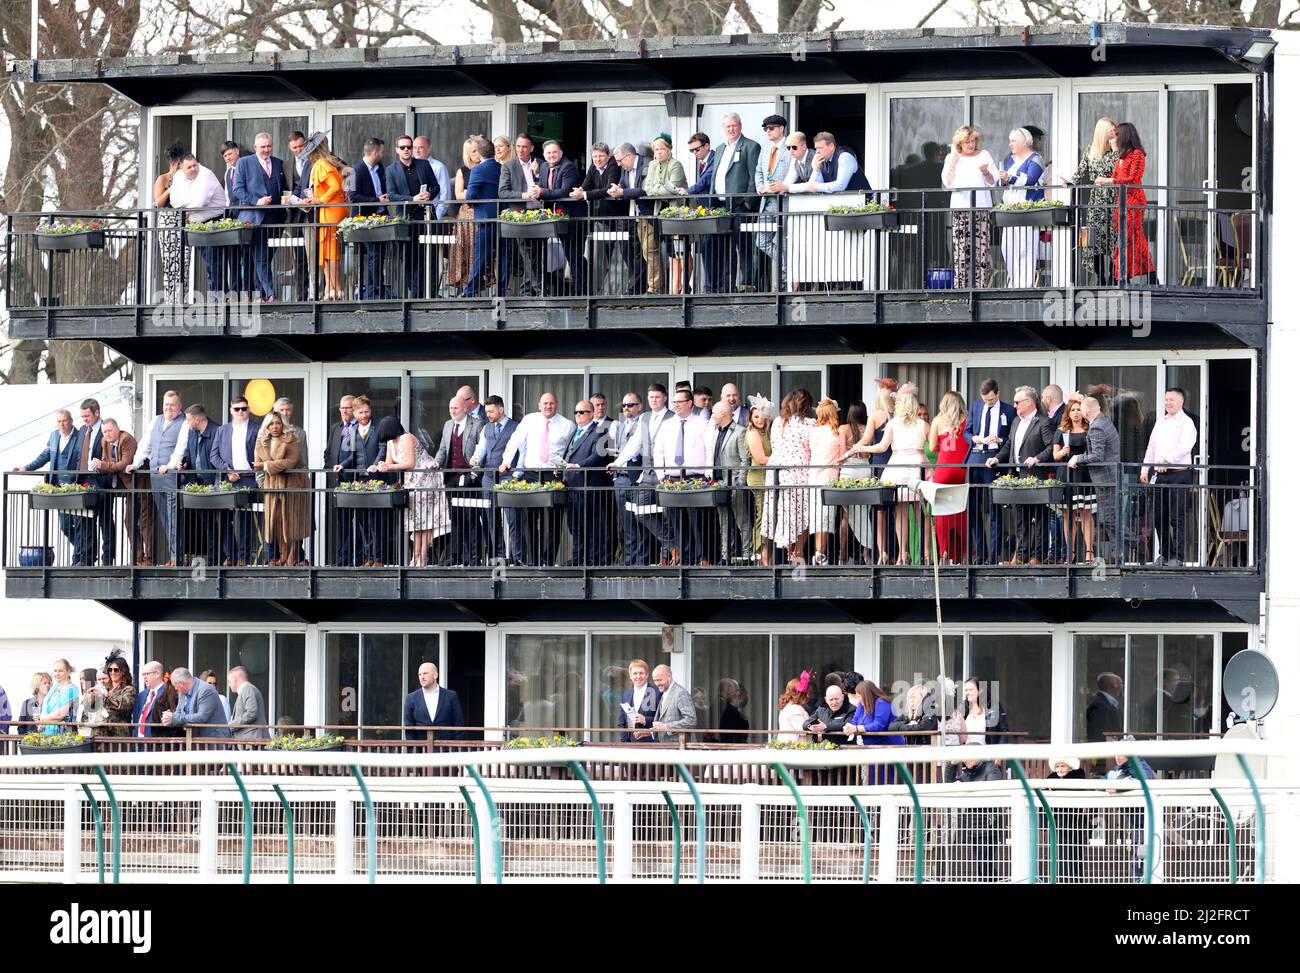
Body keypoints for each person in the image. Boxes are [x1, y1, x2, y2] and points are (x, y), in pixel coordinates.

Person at [854, 388, 930, 565]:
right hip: (919, 467)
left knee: (901, 514)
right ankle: (926, 552)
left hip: (898, 468)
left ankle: (903, 554)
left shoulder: (893, 424)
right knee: (923, 514)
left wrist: (863, 448)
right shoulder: (923, 425)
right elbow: (934, 446)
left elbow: (881, 447)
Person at [499, 392, 576, 566]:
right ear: (539, 405)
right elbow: (515, 440)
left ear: (556, 405)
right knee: (530, 520)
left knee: (554, 522)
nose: (548, 406)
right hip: (532, 474)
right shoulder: (529, 420)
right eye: (545, 403)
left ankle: (548, 561)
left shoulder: (567, 425)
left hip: (553, 475)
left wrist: (565, 469)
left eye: (552, 403)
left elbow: (570, 452)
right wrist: (506, 461)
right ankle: (533, 561)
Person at [985, 385, 1054, 565]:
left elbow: (1050, 448)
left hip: (1035, 476)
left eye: (1017, 402)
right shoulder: (1016, 421)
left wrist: (1037, 458)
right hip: (1016, 475)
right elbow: (1009, 445)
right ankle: (1022, 556)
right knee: (1020, 518)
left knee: (1039, 518)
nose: (1014, 406)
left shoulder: (1043, 421)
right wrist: (996, 458)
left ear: (1029, 402)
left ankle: (1038, 556)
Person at [15, 409, 88, 565]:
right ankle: (85, 550)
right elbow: (44, 456)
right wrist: (27, 468)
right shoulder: (54, 436)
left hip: (76, 487)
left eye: (64, 420)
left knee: (81, 524)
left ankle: (80, 557)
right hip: (59, 488)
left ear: (71, 421)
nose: (62, 424)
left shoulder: (80, 436)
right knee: (65, 526)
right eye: (59, 421)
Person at [654, 386, 713, 565]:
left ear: (690, 403)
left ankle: (702, 557)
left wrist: (708, 473)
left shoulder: (702, 423)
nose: (676, 405)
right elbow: (658, 451)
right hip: (672, 479)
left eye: (680, 402)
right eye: (674, 402)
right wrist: (660, 475)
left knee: (698, 521)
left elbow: (709, 449)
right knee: (677, 522)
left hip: (696, 478)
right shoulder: (667, 425)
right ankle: (685, 558)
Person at [1141, 387, 1197, 566]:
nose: (1168, 403)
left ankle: (1178, 557)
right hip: (1160, 475)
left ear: (1181, 402)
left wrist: (1166, 461)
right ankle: (1165, 553)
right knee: (1159, 516)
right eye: (1166, 400)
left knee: (1177, 517)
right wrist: (1144, 469)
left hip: (1179, 475)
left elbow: (1185, 446)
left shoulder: (1187, 422)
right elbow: (1151, 447)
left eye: (1172, 399)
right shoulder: (1160, 422)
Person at [230, 131, 287, 302]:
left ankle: (259, 294)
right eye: (263, 147)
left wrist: (286, 198)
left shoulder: (278, 163)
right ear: (255, 147)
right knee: (261, 257)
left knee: (266, 258)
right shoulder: (244, 163)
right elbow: (238, 190)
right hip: (255, 219)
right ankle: (270, 294)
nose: (266, 150)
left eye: (269, 146)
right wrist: (257, 201)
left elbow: (282, 187)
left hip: (276, 218)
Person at [762, 388, 816, 563]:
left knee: (782, 513)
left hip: (777, 471)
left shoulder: (778, 421)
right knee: (802, 513)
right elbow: (812, 447)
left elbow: (775, 444)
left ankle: (785, 552)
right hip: (798, 470)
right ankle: (797, 552)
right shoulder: (810, 424)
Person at [1097, 120, 1155, 284]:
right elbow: (1117, 177)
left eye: (1115, 136)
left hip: (1134, 202)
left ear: (1123, 137)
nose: (1112, 139)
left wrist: (1108, 181)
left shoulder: (1137, 154)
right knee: (1130, 240)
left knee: (1129, 239)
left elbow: (1132, 179)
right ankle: (1133, 276)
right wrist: (1107, 181)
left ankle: (1119, 277)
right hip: (1121, 202)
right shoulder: (1121, 157)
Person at [1064, 117, 1119, 285]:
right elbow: (1080, 171)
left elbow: (1120, 171)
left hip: (1113, 199)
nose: (1114, 133)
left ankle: (1113, 277)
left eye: (1115, 130)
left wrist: (1116, 149)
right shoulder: (1091, 150)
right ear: (1103, 132)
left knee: (1113, 240)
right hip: (1096, 201)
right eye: (1111, 130)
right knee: (1094, 241)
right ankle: (1100, 277)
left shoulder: (1117, 151)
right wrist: (1069, 181)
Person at [964, 379, 1014, 564]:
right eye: (985, 400)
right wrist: (975, 438)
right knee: (974, 510)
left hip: (994, 459)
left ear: (998, 393)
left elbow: (1011, 437)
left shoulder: (1009, 410)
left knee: (995, 509)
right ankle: (980, 553)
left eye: (991, 400)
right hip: (975, 458)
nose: (988, 403)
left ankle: (993, 555)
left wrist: (999, 440)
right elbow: (966, 432)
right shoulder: (976, 406)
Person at [168, 151, 229, 297]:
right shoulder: (178, 176)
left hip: (215, 220)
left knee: (214, 260)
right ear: (181, 168)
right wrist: (191, 204)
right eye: (189, 167)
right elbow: (175, 202)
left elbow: (200, 203)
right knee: (208, 261)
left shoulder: (206, 175)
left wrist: (187, 206)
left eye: (195, 165)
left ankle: (219, 296)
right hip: (196, 223)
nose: (194, 169)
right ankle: (216, 295)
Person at [942, 125, 996, 289]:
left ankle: (981, 288)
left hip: (981, 209)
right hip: (960, 209)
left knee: (981, 250)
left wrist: (986, 172)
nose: (972, 145)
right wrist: (952, 163)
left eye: (973, 141)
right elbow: (948, 184)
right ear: (959, 143)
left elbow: (994, 183)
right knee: (961, 250)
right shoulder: (952, 157)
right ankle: (961, 289)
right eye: (967, 142)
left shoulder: (984, 155)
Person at [386, 133, 439, 299]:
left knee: (429, 256)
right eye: (403, 147)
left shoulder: (423, 165)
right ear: (397, 150)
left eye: (409, 147)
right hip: (406, 219)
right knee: (409, 258)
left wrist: (429, 194)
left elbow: (436, 186)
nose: (407, 150)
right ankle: (414, 293)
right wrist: (412, 199)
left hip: (426, 216)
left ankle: (429, 293)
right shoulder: (391, 170)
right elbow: (392, 195)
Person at [297, 132, 350, 300]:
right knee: (329, 251)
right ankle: (331, 289)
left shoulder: (321, 164)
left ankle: (336, 289)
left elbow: (335, 187)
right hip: (332, 209)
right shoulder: (329, 162)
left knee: (331, 251)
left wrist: (320, 199)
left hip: (330, 210)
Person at [531, 139, 587, 294]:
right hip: (556, 218)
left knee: (574, 255)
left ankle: (581, 291)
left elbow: (564, 191)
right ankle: (581, 286)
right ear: (544, 154)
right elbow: (543, 187)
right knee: (571, 255)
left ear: (561, 153)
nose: (551, 155)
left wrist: (541, 192)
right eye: (548, 153)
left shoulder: (568, 167)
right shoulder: (543, 167)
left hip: (574, 217)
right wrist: (537, 192)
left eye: (555, 152)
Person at [432, 397, 483, 566]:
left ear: (465, 408)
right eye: (450, 408)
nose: (452, 411)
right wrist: (437, 463)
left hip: (469, 477)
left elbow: (481, 451)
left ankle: (474, 556)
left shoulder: (476, 424)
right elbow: (443, 449)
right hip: (451, 477)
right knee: (455, 517)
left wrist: (474, 474)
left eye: (456, 408)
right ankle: (456, 555)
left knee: (471, 517)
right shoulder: (448, 425)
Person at [254, 412, 309, 567]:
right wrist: (262, 478)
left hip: (292, 485)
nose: (275, 426)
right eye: (271, 424)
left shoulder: (292, 438)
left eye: (278, 423)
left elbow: (290, 462)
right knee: (276, 520)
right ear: (267, 426)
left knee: (292, 521)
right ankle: (283, 555)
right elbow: (256, 463)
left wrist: (266, 466)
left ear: (283, 424)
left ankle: (293, 555)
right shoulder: (261, 441)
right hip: (272, 486)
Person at [1069, 396, 1121, 562]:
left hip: (1105, 478)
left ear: (1085, 411)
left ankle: (1132, 543)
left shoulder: (1096, 427)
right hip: (1108, 477)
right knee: (1110, 517)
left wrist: (1078, 458)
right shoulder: (1104, 421)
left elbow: (1097, 455)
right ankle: (1117, 552)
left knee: (1108, 518)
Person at [210, 395, 259, 566]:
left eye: (243, 409)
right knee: (223, 519)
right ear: (231, 411)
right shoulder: (222, 430)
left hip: (249, 479)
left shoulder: (257, 428)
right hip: (228, 481)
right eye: (237, 409)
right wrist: (227, 470)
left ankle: (244, 559)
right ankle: (231, 555)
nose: (240, 412)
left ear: (248, 410)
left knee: (245, 522)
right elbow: (213, 456)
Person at [471, 394, 521, 562]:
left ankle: (517, 556)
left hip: (508, 477)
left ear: (501, 409)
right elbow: (481, 450)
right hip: (489, 476)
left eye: (491, 411)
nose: (488, 415)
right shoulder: (487, 428)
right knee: (491, 518)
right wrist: (475, 458)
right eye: (487, 412)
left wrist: (516, 473)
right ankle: (500, 555)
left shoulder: (516, 427)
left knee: (512, 518)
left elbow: (522, 451)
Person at [563, 399, 611, 566]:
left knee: (591, 527)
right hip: (572, 487)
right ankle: (578, 558)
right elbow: (569, 454)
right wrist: (561, 466)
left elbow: (599, 455)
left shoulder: (600, 431)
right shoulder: (575, 432)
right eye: (576, 412)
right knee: (575, 526)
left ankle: (593, 560)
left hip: (588, 486)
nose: (578, 415)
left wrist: (578, 465)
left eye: (582, 412)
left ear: (591, 414)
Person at [996, 128, 1046, 287]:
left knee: (1025, 249)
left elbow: (1030, 181)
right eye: (1010, 141)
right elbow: (1001, 181)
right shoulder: (1010, 159)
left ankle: (1024, 285)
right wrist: (1003, 179)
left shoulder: (1035, 159)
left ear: (1025, 142)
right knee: (1008, 248)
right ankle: (1014, 283)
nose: (1010, 144)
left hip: (1028, 211)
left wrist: (1009, 177)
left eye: (1013, 141)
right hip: (1010, 210)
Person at [571, 141, 620, 295]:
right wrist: (578, 191)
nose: (597, 159)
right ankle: (599, 288)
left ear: (608, 156)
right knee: (600, 252)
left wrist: (584, 195)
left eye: (600, 156)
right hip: (599, 217)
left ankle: (614, 289)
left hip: (616, 217)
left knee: (616, 252)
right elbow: (586, 185)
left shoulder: (613, 166)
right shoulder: (593, 167)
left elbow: (608, 190)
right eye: (595, 157)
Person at [927, 391, 970, 564]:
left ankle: (944, 551)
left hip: (944, 469)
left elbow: (931, 447)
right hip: (962, 469)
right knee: (962, 512)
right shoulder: (967, 420)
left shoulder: (937, 420)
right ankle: (965, 553)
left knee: (942, 514)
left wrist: (943, 450)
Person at [349, 137, 393, 300]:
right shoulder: (352, 171)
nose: (383, 154)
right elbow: (352, 197)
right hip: (364, 219)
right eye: (381, 152)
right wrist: (376, 200)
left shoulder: (380, 168)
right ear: (374, 153)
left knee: (379, 255)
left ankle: (377, 287)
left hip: (380, 217)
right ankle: (372, 290)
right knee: (372, 255)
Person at [608, 142, 655, 295]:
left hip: (647, 215)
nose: (618, 164)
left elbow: (644, 189)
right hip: (633, 216)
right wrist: (617, 189)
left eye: (620, 160)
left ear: (629, 156)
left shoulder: (647, 164)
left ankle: (651, 288)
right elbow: (623, 185)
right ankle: (637, 286)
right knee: (632, 252)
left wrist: (622, 192)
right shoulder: (625, 168)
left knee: (649, 252)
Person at [708, 401, 752, 565]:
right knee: (724, 522)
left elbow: (744, 459)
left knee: (742, 521)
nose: (712, 416)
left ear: (723, 414)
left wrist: (740, 482)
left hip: (734, 483)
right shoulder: (716, 432)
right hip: (719, 483)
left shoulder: (739, 432)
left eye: (714, 413)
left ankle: (747, 555)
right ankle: (726, 556)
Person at [499, 133, 543, 295]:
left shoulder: (541, 164)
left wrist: (537, 174)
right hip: (520, 214)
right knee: (527, 253)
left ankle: (526, 290)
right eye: (518, 146)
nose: (521, 150)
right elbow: (503, 193)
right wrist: (523, 195)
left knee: (538, 253)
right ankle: (540, 290)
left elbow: (547, 187)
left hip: (540, 214)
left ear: (531, 148)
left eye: (524, 147)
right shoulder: (508, 166)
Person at [1054, 395, 1096, 561]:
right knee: (1067, 514)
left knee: (1086, 512)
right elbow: (1055, 455)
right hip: (1066, 475)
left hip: (1084, 474)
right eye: (1073, 410)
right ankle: (1069, 553)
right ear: (1068, 413)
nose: (1076, 413)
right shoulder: (1061, 430)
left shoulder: (1090, 428)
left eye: (1079, 409)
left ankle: (1089, 552)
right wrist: (1062, 452)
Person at [644, 136, 688, 294]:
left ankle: (681, 286)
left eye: (662, 149)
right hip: (659, 213)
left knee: (681, 251)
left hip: (676, 213)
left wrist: (658, 188)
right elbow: (648, 189)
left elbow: (673, 189)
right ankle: (676, 287)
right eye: (656, 149)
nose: (659, 152)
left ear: (669, 150)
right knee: (670, 251)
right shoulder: (652, 164)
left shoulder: (676, 165)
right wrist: (659, 188)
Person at [753, 114, 792, 288]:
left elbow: (795, 172)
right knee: (761, 241)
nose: (768, 132)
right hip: (767, 202)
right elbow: (758, 172)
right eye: (765, 129)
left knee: (785, 242)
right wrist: (760, 187)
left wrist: (782, 186)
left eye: (771, 128)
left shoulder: (790, 148)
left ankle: (785, 280)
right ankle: (787, 267)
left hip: (785, 202)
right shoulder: (765, 150)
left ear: (781, 129)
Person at [462, 136, 504, 298]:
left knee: (480, 257)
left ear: (479, 154)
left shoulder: (478, 170)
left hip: (486, 220)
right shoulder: (502, 168)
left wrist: (473, 203)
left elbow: (470, 196)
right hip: (503, 219)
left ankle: (471, 291)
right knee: (503, 256)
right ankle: (501, 292)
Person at [805, 397, 841, 565]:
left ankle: (818, 552)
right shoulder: (836, 432)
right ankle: (821, 553)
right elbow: (841, 457)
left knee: (817, 518)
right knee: (826, 518)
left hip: (813, 477)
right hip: (830, 478)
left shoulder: (813, 431)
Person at [153, 142, 189, 303]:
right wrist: (170, 189)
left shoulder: (186, 179)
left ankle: (183, 297)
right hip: (167, 222)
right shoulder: (163, 179)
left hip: (183, 221)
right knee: (169, 262)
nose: (178, 166)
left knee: (184, 262)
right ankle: (170, 300)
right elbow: (158, 203)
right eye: (175, 163)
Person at [1043, 756, 1088, 881]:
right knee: (1060, 854)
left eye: (1063, 766)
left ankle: (1076, 880)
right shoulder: (1051, 777)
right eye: (1057, 766)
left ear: (1069, 767)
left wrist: (1054, 789)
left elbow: (1074, 787)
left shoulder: (1078, 773)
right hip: (1058, 822)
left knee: (1075, 853)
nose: (1059, 769)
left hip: (1075, 821)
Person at [743, 396, 775, 565]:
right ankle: (761, 554)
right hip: (758, 478)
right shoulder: (752, 433)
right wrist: (784, 458)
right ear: (750, 418)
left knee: (770, 516)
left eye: (762, 416)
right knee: (762, 515)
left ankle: (768, 553)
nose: (759, 420)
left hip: (770, 477)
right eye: (756, 417)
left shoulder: (770, 431)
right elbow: (761, 458)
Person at [448, 138, 482, 293]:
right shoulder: (463, 171)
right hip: (466, 216)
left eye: (478, 149)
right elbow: (458, 194)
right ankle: (466, 287)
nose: (477, 153)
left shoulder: (487, 167)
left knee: (479, 252)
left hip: (481, 215)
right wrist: (472, 193)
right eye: (473, 151)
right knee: (465, 250)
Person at [789, 131, 871, 193]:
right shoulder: (820, 160)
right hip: (844, 205)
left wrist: (817, 187)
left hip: (864, 205)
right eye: (816, 148)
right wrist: (816, 169)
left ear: (831, 146)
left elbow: (840, 185)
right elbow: (814, 185)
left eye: (820, 148)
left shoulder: (844, 157)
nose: (817, 151)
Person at [403, 662, 465, 740]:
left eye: (425, 673)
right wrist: (413, 751)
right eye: (420, 674)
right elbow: (409, 728)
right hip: (421, 749)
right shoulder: (411, 698)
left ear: (435, 675)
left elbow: (459, 725)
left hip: (446, 749)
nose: (422, 677)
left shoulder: (451, 696)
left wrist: (454, 749)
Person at [161, 667, 227, 738]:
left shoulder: (205, 690)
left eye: (175, 686)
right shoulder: (183, 692)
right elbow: (179, 713)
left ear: (181, 684)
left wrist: (174, 717)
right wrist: (169, 717)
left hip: (214, 741)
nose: (175, 689)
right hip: (197, 741)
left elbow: (201, 717)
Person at [642, 664, 697, 742]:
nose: (657, 684)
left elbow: (691, 720)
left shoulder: (680, 693)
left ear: (669, 676)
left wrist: (666, 726)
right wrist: (650, 732)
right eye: (655, 680)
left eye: (659, 680)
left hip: (680, 748)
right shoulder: (665, 692)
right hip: (667, 747)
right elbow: (663, 723)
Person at [843, 679, 905, 747]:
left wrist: (857, 728)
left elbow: (878, 726)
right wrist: (848, 727)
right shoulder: (861, 704)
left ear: (867, 695)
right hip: (870, 747)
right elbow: (854, 721)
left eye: (859, 696)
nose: (858, 699)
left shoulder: (882, 702)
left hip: (888, 746)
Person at [616, 659, 661, 743]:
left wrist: (645, 720)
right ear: (630, 676)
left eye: (641, 673)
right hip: (631, 745)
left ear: (647, 674)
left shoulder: (657, 693)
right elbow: (622, 723)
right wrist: (624, 744)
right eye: (635, 673)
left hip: (652, 745)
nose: (638, 676)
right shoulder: (626, 695)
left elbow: (663, 720)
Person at [957, 677, 1009, 746]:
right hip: (965, 754)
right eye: (966, 690)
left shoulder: (993, 706)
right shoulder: (962, 707)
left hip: (987, 754)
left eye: (971, 690)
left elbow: (1004, 731)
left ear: (980, 690)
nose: (967, 693)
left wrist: (998, 753)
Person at [132, 660, 178, 737]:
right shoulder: (141, 695)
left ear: (157, 674)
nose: (144, 677)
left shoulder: (168, 693)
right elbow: (136, 719)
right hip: (138, 743)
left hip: (156, 744)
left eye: (147, 674)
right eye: (143, 674)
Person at [412, 136, 453, 219]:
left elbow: (445, 195)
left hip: (431, 214)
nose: (417, 151)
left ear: (429, 149)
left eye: (421, 147)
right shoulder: (409, 167)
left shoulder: (439, 167)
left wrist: (436, 216)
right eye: (414, 147)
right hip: (413, 215)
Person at [227, 665, 269, 740]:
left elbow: (251, 713)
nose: (229, 685)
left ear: (234, 679)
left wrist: (231, 725)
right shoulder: (247, 689)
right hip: (251, 741)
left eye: (229, 681)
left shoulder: (248, 689)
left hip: (252, 741)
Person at [37, 659, 78, 736]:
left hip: (63, 734)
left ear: (68, 671)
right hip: (46, 731)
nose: (57, 674)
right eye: (55, 671)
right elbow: (46, 708)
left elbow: (60, 715)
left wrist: (42, 719)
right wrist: (41, 724)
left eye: (60, 671)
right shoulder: (53, 688)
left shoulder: (72, 689)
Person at [100, 652, 135, 737]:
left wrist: (106, 695)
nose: (112, 672)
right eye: (110, 670)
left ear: (123, 671)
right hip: (101, 734)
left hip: (119, 736)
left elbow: (123, 705)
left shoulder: (128, 689)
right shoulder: (104, 687)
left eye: (116, 670)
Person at [776, 672, 812, 742]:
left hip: (787, 746)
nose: (808, 696)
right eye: (805, 694)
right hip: (795, 748)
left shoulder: (787, 706)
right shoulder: (795, 709)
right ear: (799, 695)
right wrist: (816, 727)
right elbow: (802, 730)